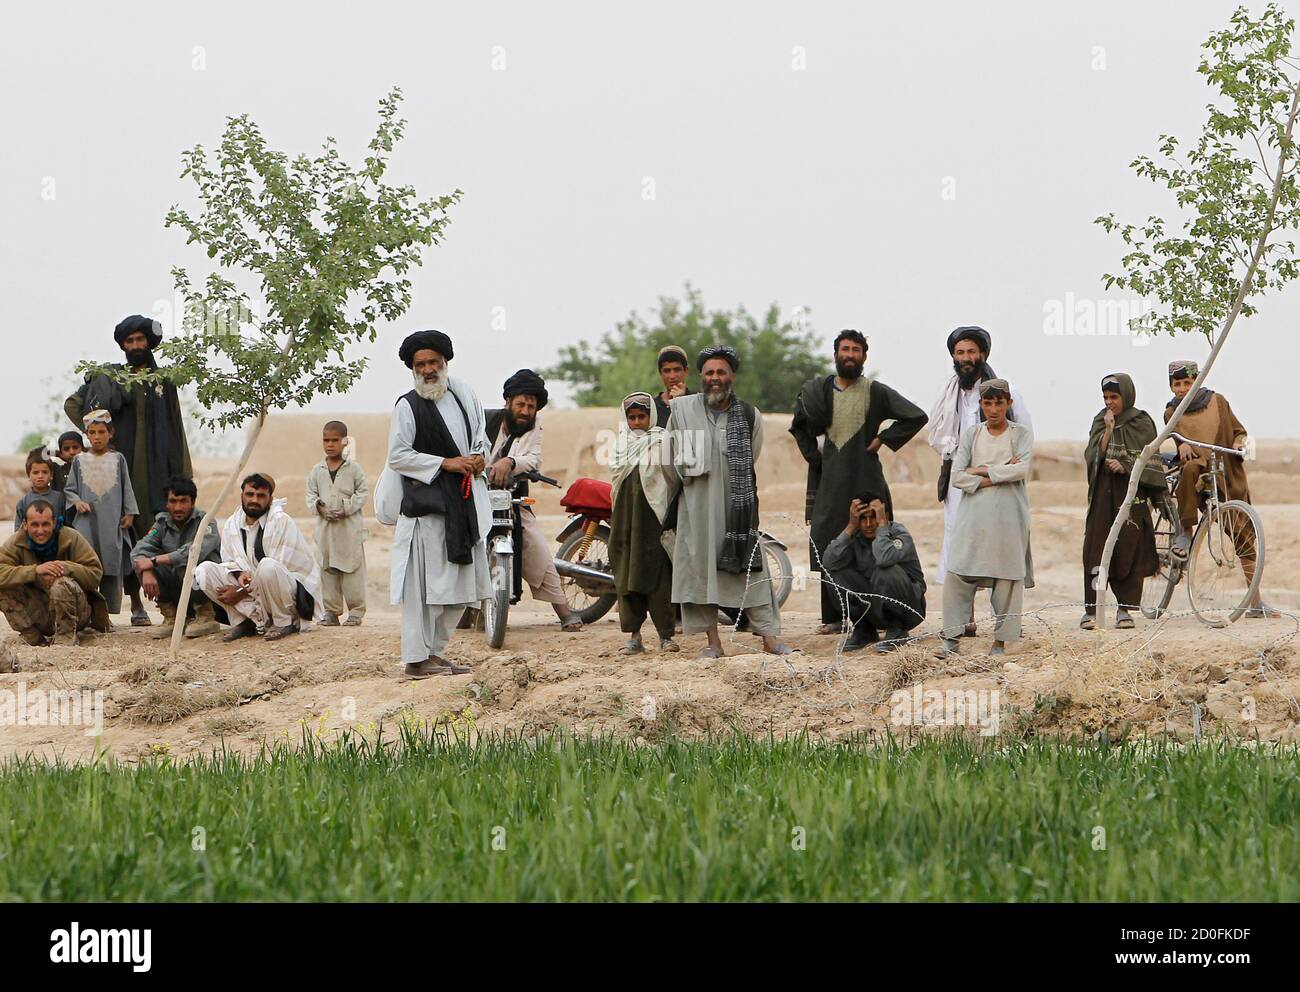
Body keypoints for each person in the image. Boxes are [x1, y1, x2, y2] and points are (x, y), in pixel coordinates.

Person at [790, 329, 929, 634]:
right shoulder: (819, 391)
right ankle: (833, 617)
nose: (849, 355)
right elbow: (799, 425)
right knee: (828, 540)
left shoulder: (875, 392)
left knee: (871, 540)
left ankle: (878, 613)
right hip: (829, 482)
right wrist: (815, 457)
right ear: (835, 354)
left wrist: (883, 438)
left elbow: (916, 416)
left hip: (866, 478)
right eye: (844, 349)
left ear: (864, 357)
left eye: (856, 350)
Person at [375, 330, 491, 680]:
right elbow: (398, 455)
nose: (427, 369)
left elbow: (481, 435)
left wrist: (478, 457)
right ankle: (414, 659)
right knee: (421, 591)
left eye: (432, 362)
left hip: (462, 506)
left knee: (462, 588)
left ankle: (433, 654)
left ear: (445, 363)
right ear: (412, 369)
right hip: (425, 512)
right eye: (420, 364)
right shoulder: (407, 405)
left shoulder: (463, 394)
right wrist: (446, 463)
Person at [666, 345, 792, 658]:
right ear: (701, 377)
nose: (715, 378)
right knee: (702, 575)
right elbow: (668, 463)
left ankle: (769, 638)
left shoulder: (750, 415)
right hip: (697, 511)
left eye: (721, 372)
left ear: (732, 376)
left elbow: (753, 455)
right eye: (709, 372)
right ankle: (713, 643)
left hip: (739, 511)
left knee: (753, 571)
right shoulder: (681, 411)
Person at [65, 315, 193, 624]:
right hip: (117, 472)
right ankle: (135, 604)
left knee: (155, 535)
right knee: (124, 538)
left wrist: (184, 471)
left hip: (155, 471)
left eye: (140, 340)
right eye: (130, 341)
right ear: (123, 345)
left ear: (149, 343)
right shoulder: (111, 378)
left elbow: (176, 425)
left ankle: (169, 609)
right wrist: (98, 439)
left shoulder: (163, 381)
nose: (136, 346)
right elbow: (73, 405)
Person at [928, 326, 1034, 636]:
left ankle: (1002, 623)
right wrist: (961, 459)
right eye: (960, 352)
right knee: (963, 548)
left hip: (1002, 488)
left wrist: (990, 469)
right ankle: (965, 620)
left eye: (971, 352)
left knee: (1000, 546)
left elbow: (1024, 435)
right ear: (953, 356)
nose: (966, 358)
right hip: (961, 485)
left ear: (983, 354)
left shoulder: (1003, 391)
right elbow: (938, 435)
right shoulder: (949, 393)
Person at [1164, 360, 1277, 617]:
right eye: (1177, 384)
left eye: (1187, 383)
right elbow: (1176, 436)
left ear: (1197, 382)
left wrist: (1239, 444)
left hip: (1225, 475)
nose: (1182, 389)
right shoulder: (1172, 412)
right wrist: (1180, 445)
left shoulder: (1219, 402)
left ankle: (1255, 603)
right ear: (1171, 386)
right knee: (1189, 469)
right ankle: (1185, 531)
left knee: (1243, 534)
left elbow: (1239, 431)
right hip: (1198, 477)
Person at [484, 369, 583, 631]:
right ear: (507, 402)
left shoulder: (533, 426)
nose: (526, 411)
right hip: (477, 495)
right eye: (521, 404)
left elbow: (533, 458)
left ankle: (563, 610)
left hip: (512, 496)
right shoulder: (485, 421)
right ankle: (468, 612)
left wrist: (510, 462)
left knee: (535, 545)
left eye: (531, 405)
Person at [193, 474, 323, 642]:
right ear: (242, 495)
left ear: (270, 499)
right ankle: (245, 622)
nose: (254, 500)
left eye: (261, 496)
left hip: (284, 594)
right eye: (250, 494)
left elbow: (278, 570)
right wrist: (239, 575)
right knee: (204, 571)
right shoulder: (233, 523)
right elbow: (229, 561)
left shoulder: (281, 521)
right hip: (252, 591)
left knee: (267, 566)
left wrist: (241, 591)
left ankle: (283, 622)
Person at [1080, 373, 1163, 630]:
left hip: (1131, 497)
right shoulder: (1100, 420)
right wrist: (1107, 430)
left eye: (1114, 397)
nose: (1109, 402)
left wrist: (1126, 465)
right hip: (1104, 495)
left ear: (1126, 396)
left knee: (1128, 549)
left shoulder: (1142, 422)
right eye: (1106, 397)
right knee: (1095, 549)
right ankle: (1092, 609)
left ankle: (1125, 609)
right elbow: (1093, 455)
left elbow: (1149, 458)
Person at [609, 392, 680, 655]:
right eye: (632, 417)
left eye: (642, 417)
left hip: (653, 520)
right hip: (625, 521)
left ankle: (665, 636)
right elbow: (616, 481)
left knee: (660, 577)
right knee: (627, 576)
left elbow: (670, 478)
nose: (637, 422)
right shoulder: (620, 444)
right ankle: (635, 637)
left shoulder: (662, 440)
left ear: (651, 417)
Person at [821, 493, 926, 652]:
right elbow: (828, 562)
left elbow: (884, 559)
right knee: (833, 574)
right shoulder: (856, 536)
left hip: (909, 608)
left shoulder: (897, 533)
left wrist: (882, 526)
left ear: (885, 516)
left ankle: (897, 630)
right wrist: (850, 526)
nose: (869, 524)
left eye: (874, 517)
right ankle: (864, 629)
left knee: (886, 570)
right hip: (874, 607)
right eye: (863, 518)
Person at [0, 500, 110, 646]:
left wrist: (63, 568)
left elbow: (95, 574)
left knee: (61, 583)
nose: (40, 530)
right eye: (34, 525)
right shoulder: (16, 542)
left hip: (78, 614)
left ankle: (66, 636)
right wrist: (35, 571)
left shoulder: (72, 538)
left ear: (54, 522)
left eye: (45, 524)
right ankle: (32, 636)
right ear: (25, 524)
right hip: (39, 612)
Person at [62, 411, 138, 624]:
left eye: (101, 432)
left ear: (110, 433)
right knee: (86, 565)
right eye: (92, 432)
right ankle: (86, 613)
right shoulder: (79, 460)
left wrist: (130, 512)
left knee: (110, 564)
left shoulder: (118, 459)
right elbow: (70, 489)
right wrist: (77, 502)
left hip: (111, 522)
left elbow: (126, 488)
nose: (97, 437)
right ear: (86, 434)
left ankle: (104, 614)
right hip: (86, 523)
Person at [130, 477, 224, 640]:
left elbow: (193, 552)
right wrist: (147, 571)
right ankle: (171, 616)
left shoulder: (206, 522)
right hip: (178, 588)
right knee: (144, 565)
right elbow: (139, 550)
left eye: (183, 501)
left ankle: (205, 615)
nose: (178, 507)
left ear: (193, 502)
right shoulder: (161, 523)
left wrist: (153, 561)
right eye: (173, 501)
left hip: (204, 591)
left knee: (187, 564)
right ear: (167, 503)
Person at [306, 420, 369, 627]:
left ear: (344, 442)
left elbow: (362, 492)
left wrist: (346, 508)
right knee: (327, 570)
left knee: (352, 571)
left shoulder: (354, 469)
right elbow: (310, 495)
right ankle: (331, 612)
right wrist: (320, 508)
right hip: (325, 531)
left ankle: (356, 612)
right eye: (326, 440)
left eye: (334, 440)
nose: (330, 444)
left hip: (349, 530)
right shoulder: (317, 470)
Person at [14, 453, 67, 531]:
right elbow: (18, 530)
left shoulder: (59, 498)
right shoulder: (24, 502)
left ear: (51, 475)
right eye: (35, 473)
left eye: (45, 472)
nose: (40, 476)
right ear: (29, 475)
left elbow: (65, 524)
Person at [651, 345, 694, 429]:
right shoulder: (652, 408)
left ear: (686, 371)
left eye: (677, 370)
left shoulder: (698, 403)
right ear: (660, 373)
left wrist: (681, 402)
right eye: (667, 371)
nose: (672, 376)